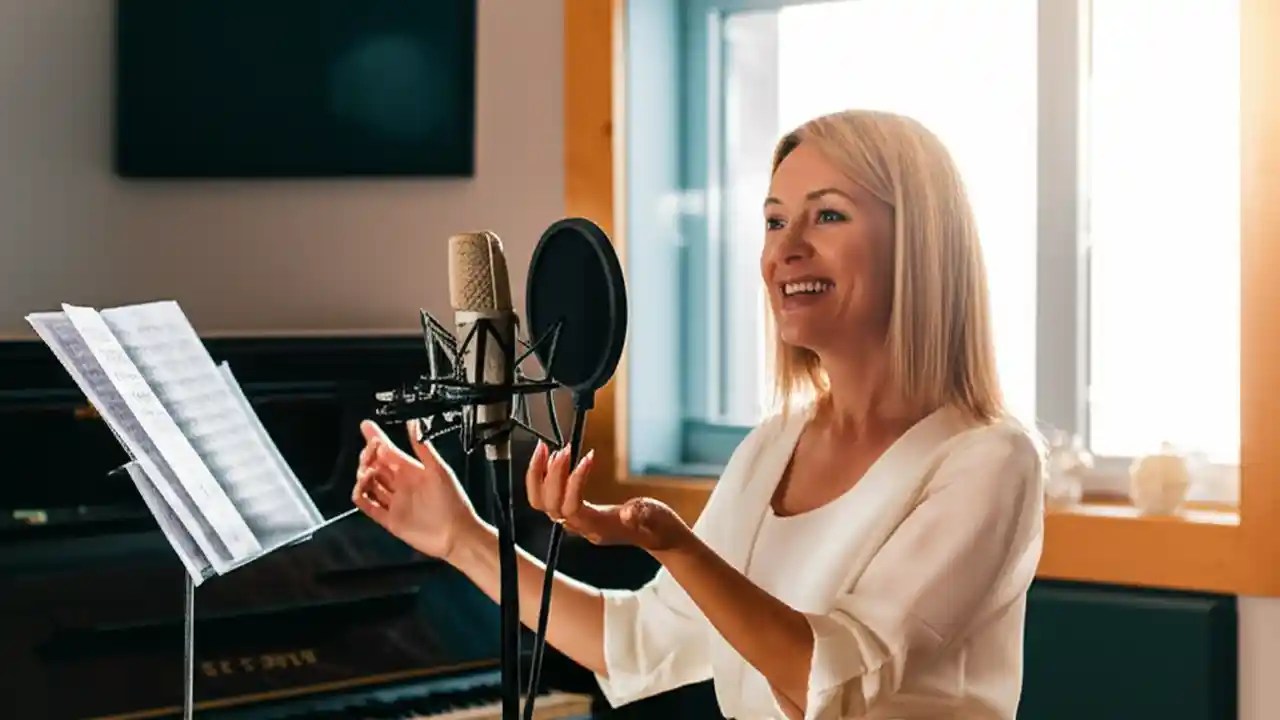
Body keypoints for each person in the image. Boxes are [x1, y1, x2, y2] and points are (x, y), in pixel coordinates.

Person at [352, 109, 1045, 720]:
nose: (785, 248)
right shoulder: (776, 444)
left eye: (828, 215)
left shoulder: (988, 461)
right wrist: (462, 538)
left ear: (919, 242)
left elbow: (832, 689)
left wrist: (675, 545)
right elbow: (634, 643)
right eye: (774, 220)